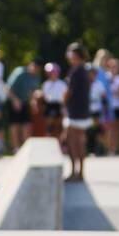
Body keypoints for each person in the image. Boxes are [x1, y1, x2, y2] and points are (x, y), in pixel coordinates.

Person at [63, 42, 91, 182]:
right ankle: (80, 173)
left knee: (72, 141)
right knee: (80, 141)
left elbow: (69, 92)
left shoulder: (75, 71)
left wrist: (63, 101)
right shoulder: (85, 70)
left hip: (75, 111)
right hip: (84, 110)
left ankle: (75, 171)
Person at [6, 58, 41, 152]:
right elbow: (8, 88)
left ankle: (25, 148)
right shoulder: (19, 72)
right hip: (14, 101)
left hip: (25, 102)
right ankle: (16, 148)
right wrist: (15, 101)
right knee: (15, 124)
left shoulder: (36, 76)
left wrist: (34, 102)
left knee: (27, 125)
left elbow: (33, 91)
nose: (35, 69)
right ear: (30, 64)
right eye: (34, 66)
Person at [41, 62, 66, 140]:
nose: (51, 74)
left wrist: (63, 107)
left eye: (52, 72)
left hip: (59, 105)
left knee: (59, 124)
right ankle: (48, 139)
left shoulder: (62, 84)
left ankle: (60, 141)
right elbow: (44, 96)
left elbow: (64, 97)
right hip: (50, 105)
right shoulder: (46, 84)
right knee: (49, 123)